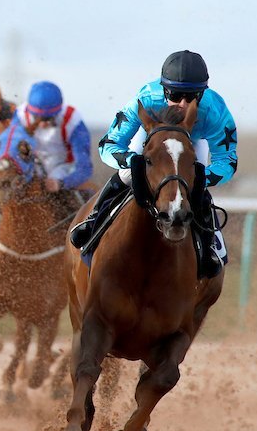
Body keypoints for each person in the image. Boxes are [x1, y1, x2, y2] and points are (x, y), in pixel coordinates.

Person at [68, 50, 237, 278]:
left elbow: (227, 161)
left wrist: (196, 176)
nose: (183, 105)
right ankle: (94, 219)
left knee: (195, 185)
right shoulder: (147, 98)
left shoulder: (216, 112)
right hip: (152, 137)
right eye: (176, 95)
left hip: (191, 143)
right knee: (127, 174)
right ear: (164, 89)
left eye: (192, 96)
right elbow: (109, 144)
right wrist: (136, 164)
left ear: (203, 94)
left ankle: (208, 246)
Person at [1, 80, 92, 220]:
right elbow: (10, 150)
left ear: (59, 111)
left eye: (48, 119)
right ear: (29, 110)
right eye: (37, 118)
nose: (43, 124)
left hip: (63, 167)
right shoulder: (19, 116)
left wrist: (62, 183)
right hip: (32, 165)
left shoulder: (73, 121)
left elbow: (85, 168)